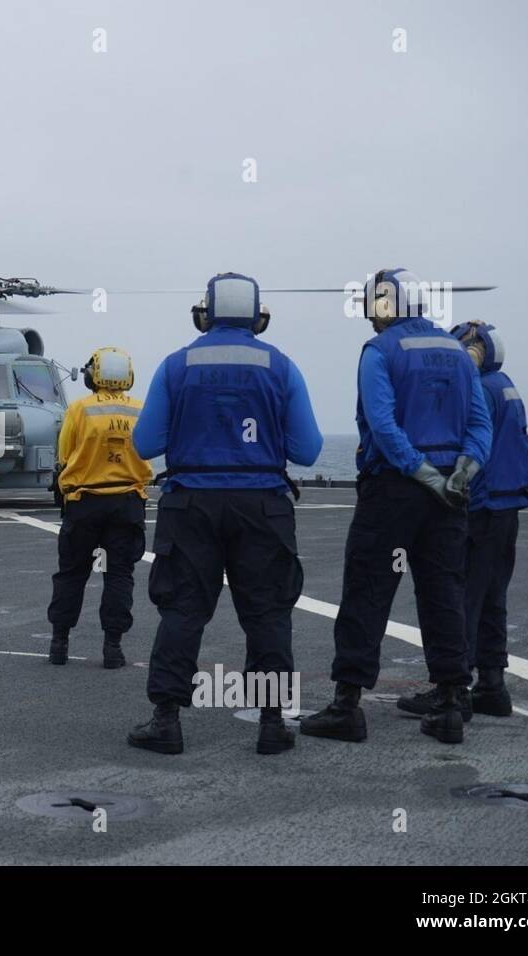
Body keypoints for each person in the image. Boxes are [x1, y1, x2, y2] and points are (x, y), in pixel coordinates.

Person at [127, 273, 323, 755]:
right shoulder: (281, 367)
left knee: (183, 609)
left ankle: (167, 721)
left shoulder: (177, 365)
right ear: (259, 318)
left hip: (191, 504)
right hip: (263, 506)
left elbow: (146, 443)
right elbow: (309, 450)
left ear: (205, 314)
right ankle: (272, 724)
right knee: (268, 612)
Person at [301, 268, 491, 746]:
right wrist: (457, 477)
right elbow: (479, 424)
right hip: (450, 494)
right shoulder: (457, 352)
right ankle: (450, 703)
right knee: (444, 591)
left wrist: (420, 472)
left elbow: (383, 426)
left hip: (393, 490)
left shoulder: (379, 352)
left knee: (367, 590)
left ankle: (347, 705)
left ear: (383, 305)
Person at [396, 322, 528, 719]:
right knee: (492, 598)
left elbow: (472, 447)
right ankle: (492, 685)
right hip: (507, 508)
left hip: (483, 507)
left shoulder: (479, 390)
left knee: (459, 600)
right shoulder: (505, 385)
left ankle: (453, 689)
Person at [48, 347, 153, 669]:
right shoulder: (140, 411)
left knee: (72, 574)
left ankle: (59, 643)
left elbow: (64, 454)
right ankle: (113, 647)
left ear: (93, 376)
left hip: (84, 503)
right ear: (129, 377)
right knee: (119, 575)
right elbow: (149, 448)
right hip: (127, 504)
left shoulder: (80, 409)